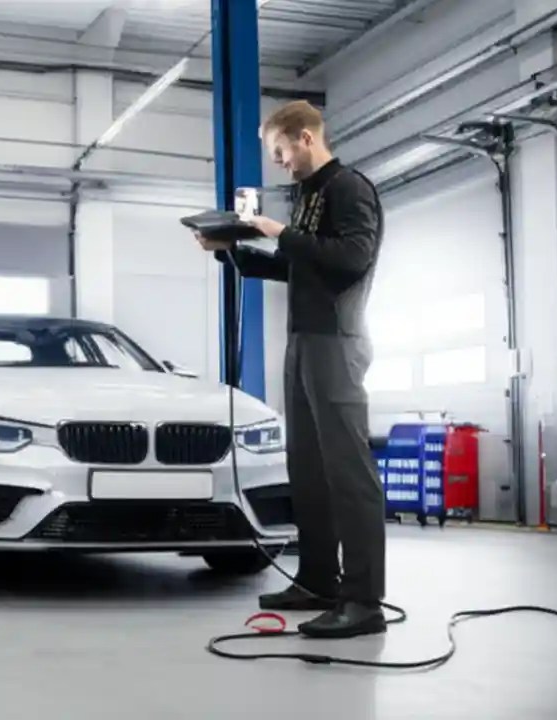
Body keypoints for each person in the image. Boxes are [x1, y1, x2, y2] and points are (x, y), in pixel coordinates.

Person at [196, 100, 387, 639]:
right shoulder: (308, 197)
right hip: (303, 341)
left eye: (280, 152)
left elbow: (352, 258)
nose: (277, 162)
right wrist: (230, 250)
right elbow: (296, 263)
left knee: (350, 474)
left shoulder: (349, 188)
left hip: (337, 342)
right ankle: (320, 580)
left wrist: (278, 231)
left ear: (304, 138)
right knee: (307, 468)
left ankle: (364, 601)